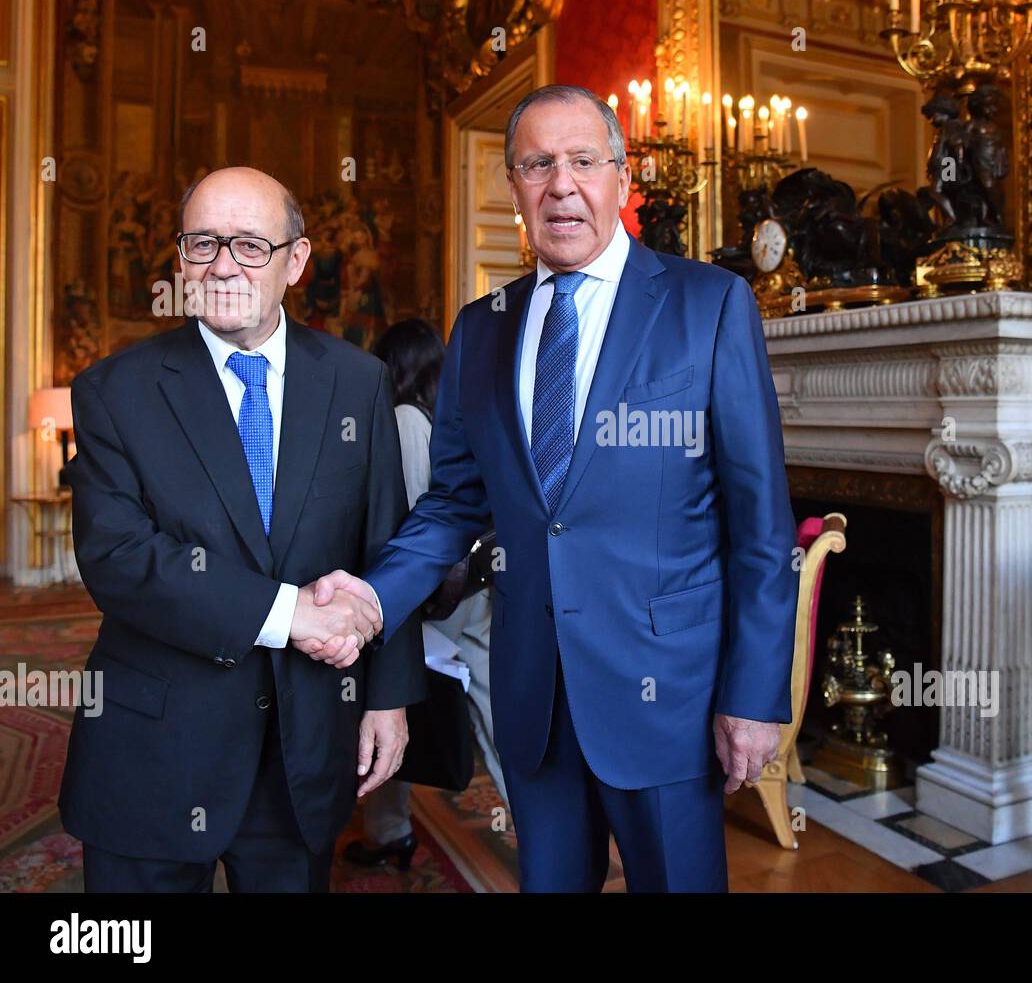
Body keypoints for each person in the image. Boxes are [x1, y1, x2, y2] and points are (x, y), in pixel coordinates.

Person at [313, 85, 797, 892]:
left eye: (582, 161)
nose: (561, 184)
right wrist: (368, 600)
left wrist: (753, 694)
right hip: (533, 694)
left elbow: (759, 522)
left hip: (666, 694)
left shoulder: (708, 303)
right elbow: (452, 505)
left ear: (621, 177)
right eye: (537, 165)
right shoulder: (482, 325)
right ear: (514, 186)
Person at [59, 166, 425, 893]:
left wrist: (388, 696)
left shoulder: (357, 382)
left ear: (296, 260)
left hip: (304, 748)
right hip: (155, 752)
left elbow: (386, 546)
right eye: (203, 243)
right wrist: (290, 614)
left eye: (251, 245)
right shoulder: (115, 390)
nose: (223, 263)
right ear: (179, 259)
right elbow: (120, 559)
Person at [343, 319, 505, 869]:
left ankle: (391, 829)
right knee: (479, 706)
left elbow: (410, 529)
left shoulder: (405, 420)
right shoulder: (440, 417)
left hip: (436, 606)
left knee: (394, 698)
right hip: (469, 593)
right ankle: (393, 832)